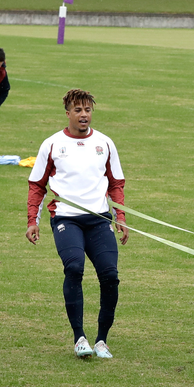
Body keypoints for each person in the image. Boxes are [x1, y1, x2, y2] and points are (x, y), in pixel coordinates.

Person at [26, 89, 127, 359]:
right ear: (68, 113)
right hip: (66, 219)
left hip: (99, 220)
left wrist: (121, 217)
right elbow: (37, 185)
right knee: (74, 268)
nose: (84, 115)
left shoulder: (105, 143)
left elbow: (116, 184)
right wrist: (31, 221)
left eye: (88, 110)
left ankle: (102, 340)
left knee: (110, 277)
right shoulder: (52, 144)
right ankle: (79, 338)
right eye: (78, 110)